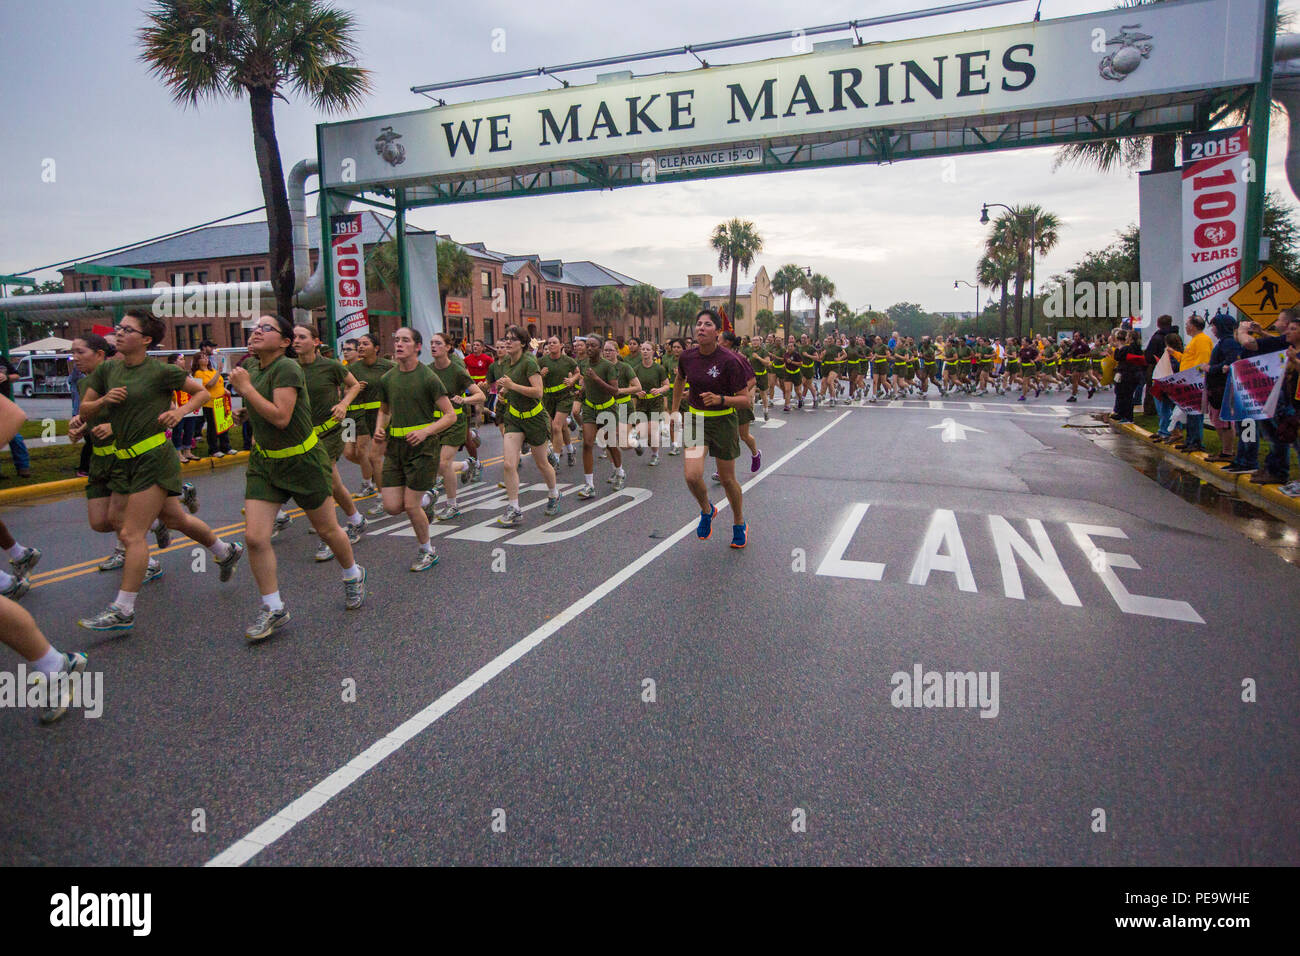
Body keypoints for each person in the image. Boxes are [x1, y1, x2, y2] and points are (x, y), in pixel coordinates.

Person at [75, 309, 244, 632]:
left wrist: (180, 412)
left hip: (154, 458)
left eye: (127, 329)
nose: (119, 333)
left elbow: (203, 392)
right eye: (119, 328)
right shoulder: (108, 370)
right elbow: (85, 408)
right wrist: (103, 402)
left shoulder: (160, 372)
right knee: (174, 519)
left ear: (146, 339)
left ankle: (123, 609)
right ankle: (225, 551)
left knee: (130, 533)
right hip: (123, 461)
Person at [229, 315, 366, 641]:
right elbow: (266, 408)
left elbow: (280, 417)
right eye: (255, 328)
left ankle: (353, 574)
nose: (257, 332)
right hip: (265, 463)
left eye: (266, 328)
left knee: (328, 529)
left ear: (285, 341)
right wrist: (246, 409)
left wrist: (245, 389)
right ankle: (273, 607)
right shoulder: (255, 367)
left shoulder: (287, 368)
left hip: (303, 461)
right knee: (255, 537)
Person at [66, 334, 172, 584]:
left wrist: (113, 427)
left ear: (100, 354)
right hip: (99, 459)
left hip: (123, 456)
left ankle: (144, 561)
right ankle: (155, 522)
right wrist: (79, 426)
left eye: (81, 352)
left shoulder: (120, 377)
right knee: (100, 521)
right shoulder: (85, 383)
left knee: (120, 518)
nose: (75, 358)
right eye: (73, 353)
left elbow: (140, 412)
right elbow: (91, 414)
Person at [373, 327, 459, 570]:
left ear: (417, 347)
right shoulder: (387, 379)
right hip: (395, 449)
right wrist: (380, 428)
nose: (399, 344)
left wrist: (425, 431)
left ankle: (427, 550)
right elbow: (384, 410)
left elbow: (450, 416)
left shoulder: (428, 378)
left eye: (405, 340)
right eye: (396, 339)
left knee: (410, 505)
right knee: (391, 507)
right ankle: (427, 499)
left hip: (423, 449)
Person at [671, 309, 751, 548]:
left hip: (724, 420)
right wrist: (674, 409)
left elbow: (745, 400)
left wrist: (721, 399)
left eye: (707, 324)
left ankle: (739, 522)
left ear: (717, 332)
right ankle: (707, 510)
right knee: (692, 475)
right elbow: (679, 380)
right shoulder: (687, 357)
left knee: (727, 479)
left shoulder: (730, 360)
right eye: (698, 324)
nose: (701, 328)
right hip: (696, 420)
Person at [292, 324, 368, 561]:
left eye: (302, 337)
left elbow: (355, 385)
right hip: (302, 435)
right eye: (293, 337)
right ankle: (356, 519)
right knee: (333, 484)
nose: (296, 341)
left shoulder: (330, 366)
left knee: (322, 482)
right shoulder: (288, 369)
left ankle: (329, 537)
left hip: (329, 432)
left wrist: (343, 404)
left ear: (315, 341)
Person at [494, 325, 561, 525]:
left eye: (512, 339)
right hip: (513, 417)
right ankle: (514, 508)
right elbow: (510, 384)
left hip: (534, 418)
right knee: (508, 463)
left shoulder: (529, 362)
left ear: (523, 343)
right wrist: (505, 392)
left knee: (542, 463)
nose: (507, 342)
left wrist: (512, 386)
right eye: (506, 338)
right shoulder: (507, 361)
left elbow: (538, 392)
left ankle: (554, 493)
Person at [427, 331, 486, 520]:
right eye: (431, 343)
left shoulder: (457, 370)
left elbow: (480, 395)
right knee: (432, 464)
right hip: (434, 422)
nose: (433, 346)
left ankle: (452, 505)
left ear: (447, 347)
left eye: (438, 343)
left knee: (443, 463)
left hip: (455, 421)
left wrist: (465, 400)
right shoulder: (427, 370)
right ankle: (465, 464)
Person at [343, 332, 394, 510]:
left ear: (376, 348)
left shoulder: (387, 366)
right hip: (355, 415)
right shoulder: (352, 369)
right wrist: (354, 388)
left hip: (384, 414)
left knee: (373, 455)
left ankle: (379, 492)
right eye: (359, 345)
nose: (360, 347)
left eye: (365, 344)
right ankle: (383, 485)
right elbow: (344, 392)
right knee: (349, 453)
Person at [577, 335, 620, 498]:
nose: (589, 348)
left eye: (593, 346)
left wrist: (596, 378)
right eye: (587, 345)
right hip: (590, 408)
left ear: (600, 349)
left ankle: (619, 472)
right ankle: (589, 485)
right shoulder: (584, 364)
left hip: (607, 408)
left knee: (610, 444)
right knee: (587, 444)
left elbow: (614, 391)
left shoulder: (608, 366)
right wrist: (581, 392)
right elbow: (586, 383)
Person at [1168, 315, 1213, 453]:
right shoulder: (1194, 340)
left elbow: (1202, 362)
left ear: (1193, 326)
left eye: (1187, 324)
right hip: (1188, 381)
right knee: (1189, 414)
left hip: (1194, 383)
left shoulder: (1202, 340)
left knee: (1195, 414)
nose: (1186, 327)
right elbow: (1187, 360)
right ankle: (1190, 441)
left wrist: (1194, 378)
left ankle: (1196, 442)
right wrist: (1174, 353)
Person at [193, 347, 233, 458]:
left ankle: (226, 446)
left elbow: (219, 383)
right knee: (213, 426)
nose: (205, 359)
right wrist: (219, 372)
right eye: (202, 358)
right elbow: (210, 384)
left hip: (221, 401)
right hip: (210, 403)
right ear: (197, 361)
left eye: (206, 357)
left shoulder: (212, 371)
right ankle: (213, 449)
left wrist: (226, 391)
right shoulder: (199, 373)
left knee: (223, 425)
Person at [0, 359, 32, 478]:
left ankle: (23, 467)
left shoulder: (2, 360)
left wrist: (6, 377)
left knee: (15, 436)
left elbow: (16, 375)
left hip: (5, 407)